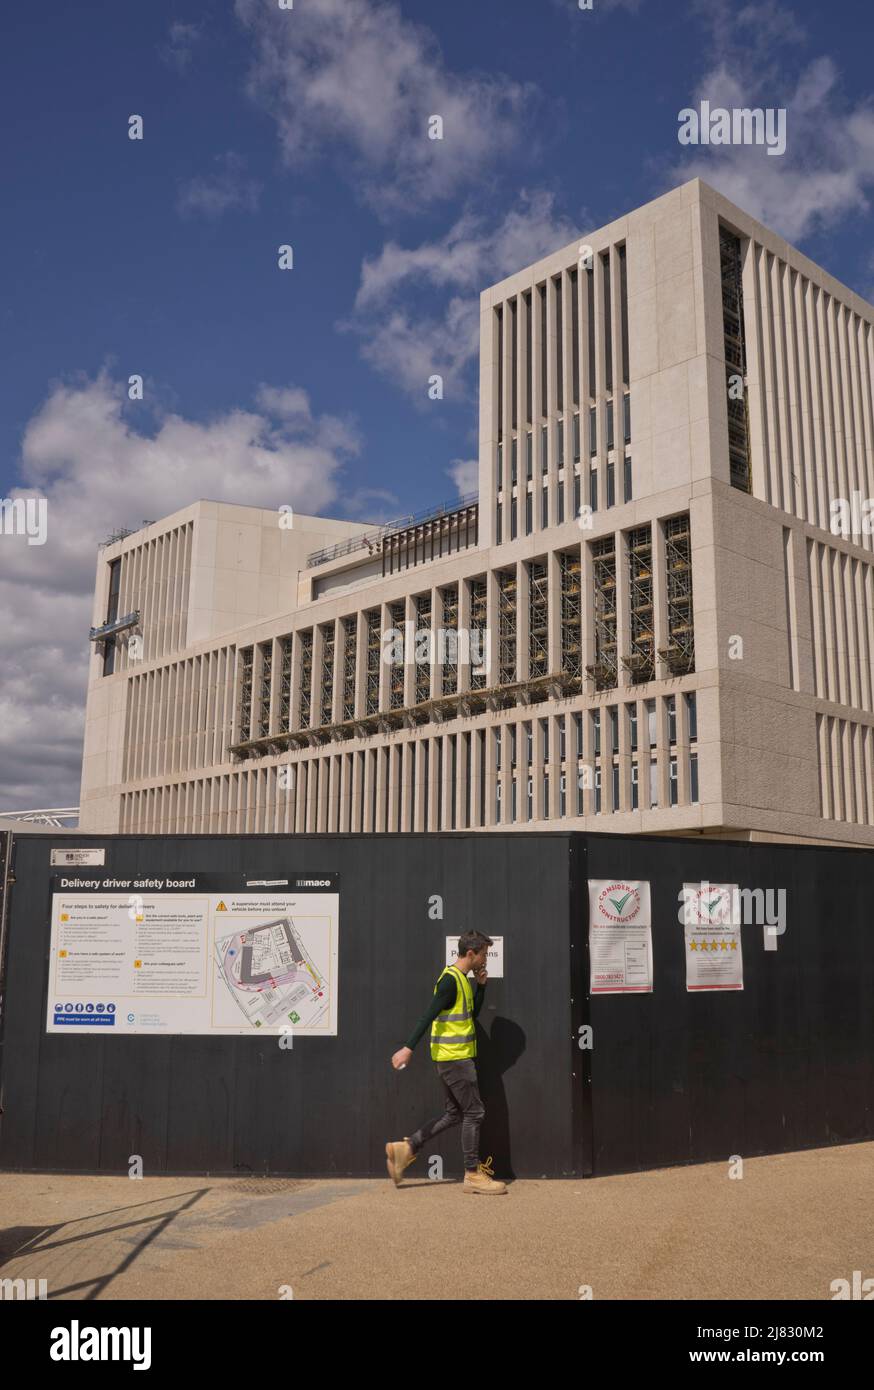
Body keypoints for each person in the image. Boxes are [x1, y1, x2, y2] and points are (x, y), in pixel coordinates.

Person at [386, 930, 507, 1195]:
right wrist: (408, 1048)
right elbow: (427, 1014)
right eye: (484, 955)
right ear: (471, 953)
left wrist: (482, 987)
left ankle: (406, 1149)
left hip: (453, 1058)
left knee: (455, 1114)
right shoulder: (450, 981)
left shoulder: (462, 979)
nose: (486, 959)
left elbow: (471, 1014)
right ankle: (472, 1175)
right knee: (474, 1113)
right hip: (455, 1060)